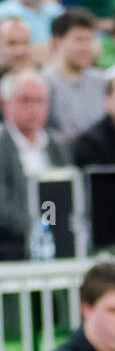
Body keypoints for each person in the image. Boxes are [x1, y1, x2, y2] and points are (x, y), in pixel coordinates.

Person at [0, 68, 72, 260]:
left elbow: (70, 192)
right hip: (11, 247)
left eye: (39, 100)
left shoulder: (57, 146)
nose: (33, 108)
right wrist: (37, 227)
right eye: (25, 100)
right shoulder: (2, 145)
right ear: (6, 104)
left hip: (57, 242)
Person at [40, 8, 105, 139]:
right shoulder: (44, 83)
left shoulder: (102, 80)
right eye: (79, 40)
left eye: (89, 39)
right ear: (57, 42)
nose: (86, 47)